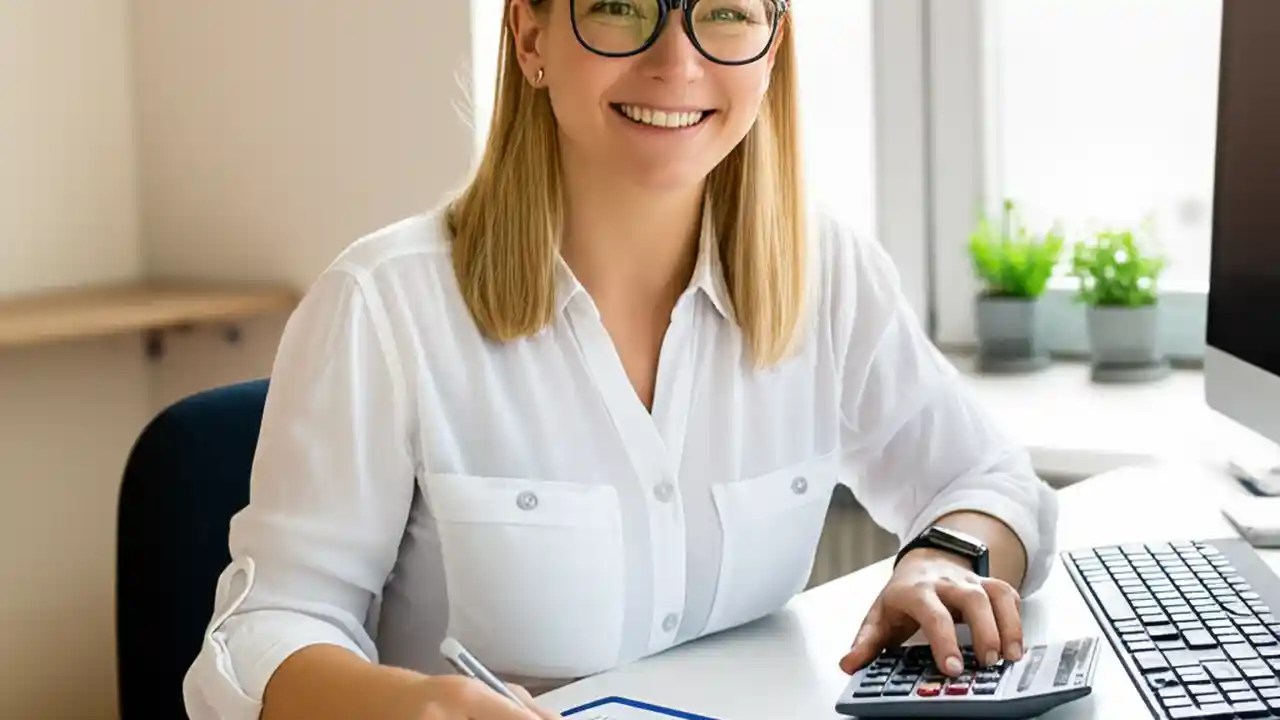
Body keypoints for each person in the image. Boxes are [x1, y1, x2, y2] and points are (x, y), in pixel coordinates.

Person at [182, 1, 1059, 718]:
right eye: (618, 7)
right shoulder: (383, 305)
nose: (676, 62)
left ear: (772, 47)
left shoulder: (827, 275)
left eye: (724, 13)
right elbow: (258, 633)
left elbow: (989, 479)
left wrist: (943, 559)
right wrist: (410, 708)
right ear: (531, 37)